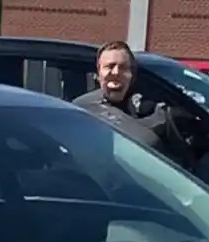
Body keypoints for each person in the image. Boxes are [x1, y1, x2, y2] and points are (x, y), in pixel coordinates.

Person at [72, 41, 194, 169]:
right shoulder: (81, 108)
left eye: (123, 67)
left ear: (132, 76)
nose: (116, 72)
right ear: (98, 73)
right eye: (109, 66)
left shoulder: (156, 113)